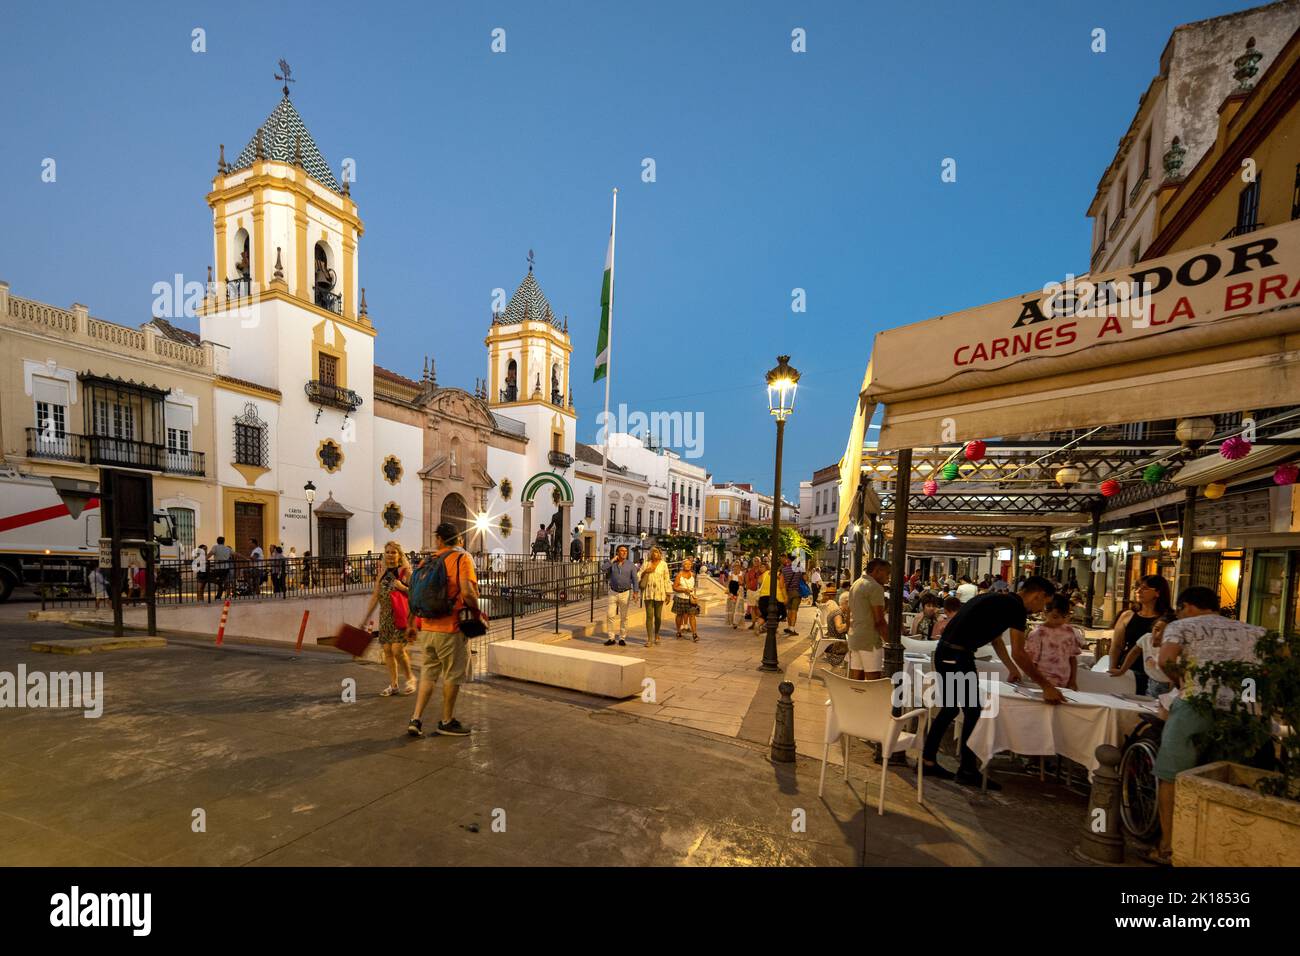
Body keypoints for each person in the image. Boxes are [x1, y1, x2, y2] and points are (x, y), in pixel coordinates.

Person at [1147, 586, 1265, 866]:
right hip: (1244, 711)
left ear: (1186, 606)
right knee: (1228, 777)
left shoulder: (1181, 627)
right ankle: (1219, 846)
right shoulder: (1256, 631)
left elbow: (1166, 660)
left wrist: (1182, 683)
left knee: (1173, 775)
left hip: (1196, 704)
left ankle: (1169, 845)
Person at [920, 575, 1056, 789]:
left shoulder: (999, 600)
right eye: (1043, 604)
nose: (1040, 610)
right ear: (1038, 595)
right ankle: (966, 769)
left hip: (948, 653)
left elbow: (996, 639)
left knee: (951, 710)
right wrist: (1047, 686)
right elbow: (1020, 652)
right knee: (972, 711)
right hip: (956, 656)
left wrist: (1011, 668)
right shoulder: (1016, 608)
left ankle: (929, 761)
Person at [406, 522, 480, 738]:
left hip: (427, 628)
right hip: (451, 629)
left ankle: (416, 718)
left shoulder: (428, 560)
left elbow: (414, 594)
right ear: (460, 540)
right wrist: (477, 611)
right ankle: (446, 721)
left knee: (428, 674)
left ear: (438, 540)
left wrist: (411, 623)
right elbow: (467, 592)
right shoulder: (462, 558)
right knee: (453, 675)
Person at [362, 541, 416, 696]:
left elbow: (417, 592)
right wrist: (366, 617)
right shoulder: (382, 574)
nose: (390, 555)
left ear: (399, 555)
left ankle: (410, 678)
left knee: (397, 650)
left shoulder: (405, 571)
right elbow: (375, 597)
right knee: (387, 651)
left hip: (400, 617)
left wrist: (402, 587)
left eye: (393, 552)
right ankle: (394, 685)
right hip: (385, 617)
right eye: (388, 552)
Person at [1109, 574, 1172, 697]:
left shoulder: (1167, 619)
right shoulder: (1128, 615)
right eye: (1137, 587)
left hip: (1156, 673)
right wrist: (1112, 668)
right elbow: (1117, 646)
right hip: (1128, 669)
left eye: (1145, 588)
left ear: (1158, 593)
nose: (1138, 591)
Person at [1022, 594, 1080, 690]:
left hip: (1064, 682)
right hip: (1042, 682)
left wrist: (1073, 680)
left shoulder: (1069, 631)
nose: (1060, 620)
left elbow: (1072, 658)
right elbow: (1032, 662)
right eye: (1055, 617)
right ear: (1045, 612)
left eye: (1064, 617)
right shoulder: (1038, 633)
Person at [847, 558, 891, 680]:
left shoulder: (856, 584)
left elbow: (849, 613)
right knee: (873, 681)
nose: (888, 577)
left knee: (856, 681)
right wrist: (890, 642)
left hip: (855, 637)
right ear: (878, 571)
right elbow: (879, 620)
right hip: (869, 640)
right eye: (887, 573)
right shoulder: (875, 587)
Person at [1109, 615, 1174, 696]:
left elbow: (1175, 670)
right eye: (1156, 629)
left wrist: (1171, 693)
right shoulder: (1146, 639)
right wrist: (1122, 670)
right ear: (1152, 628)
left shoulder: (1172, 646)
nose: (1158, 635)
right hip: (1151, 681)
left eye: (1165, 632)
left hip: (1168, 685)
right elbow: (1134, 652)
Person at [603, 545, 639, 647]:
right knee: (610, 615)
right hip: (613, 592)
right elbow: (603, 568)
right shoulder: (612, 563)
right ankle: (611, 638)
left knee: (624, 617)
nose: (624, 553)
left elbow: (635, 580)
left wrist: (636, 592)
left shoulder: (631, 565)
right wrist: (613, 560)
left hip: (625, 593)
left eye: (625, 551)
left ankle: (622, 638)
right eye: (622, 551)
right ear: (617, 552)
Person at [638, 547, 671, 647]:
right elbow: (638, 574)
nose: (655, 554)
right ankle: (649, 639)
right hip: (648, 592)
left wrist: (668, 593)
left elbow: (666, 579)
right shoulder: (646, 563)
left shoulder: (663, 564)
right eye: (653, 552)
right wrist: (645, 571)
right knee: (649, 616)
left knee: (658, 616)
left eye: (657, 552)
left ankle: (656, 633)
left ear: (660, 554)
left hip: (660, 592)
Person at [756, 559, 787, 635]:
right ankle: (770, 627)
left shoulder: (765, 573)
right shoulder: (779, 574)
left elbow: (759, 581)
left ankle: (758, 625)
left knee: (764, 615)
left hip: (762, 597)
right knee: (783, 614)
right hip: (776, 598)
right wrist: (785, 597)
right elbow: (781, 586)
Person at [672, 557, 700, 640]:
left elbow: (693, 586)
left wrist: (693, 594)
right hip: (680, 598)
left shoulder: (693, 575)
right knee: (679, 615)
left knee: (692, 616)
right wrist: (684, 589)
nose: (688, 565)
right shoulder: (679, 575)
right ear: (683, 565)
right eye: (686, 564)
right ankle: (678, 631)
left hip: (690, 599)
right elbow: (674, 587)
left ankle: (694, 634)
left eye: (689, 564)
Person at [780, 554, 802, 635]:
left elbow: (781, 583)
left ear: (788, 560)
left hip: (787, 592)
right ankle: (792, 629)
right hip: (796, 592)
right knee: (794, 611)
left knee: (789, 610)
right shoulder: (798, 569)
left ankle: (789, 627)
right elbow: (804, 579)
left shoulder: (784, 570)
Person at [745, 558, 764, 630]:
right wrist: (748, 588)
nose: (756, 562)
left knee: (758, 608)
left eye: (758, 561)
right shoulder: (750, 570)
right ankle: (753, 623)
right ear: (753, 562)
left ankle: (760, 624)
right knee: (753, 607)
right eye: (755, 561)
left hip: (759, 591)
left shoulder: (762, 570)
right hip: (751, 591)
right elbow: (747, 580)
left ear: (760, 562)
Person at [725, 560, 744, 628]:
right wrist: (727, 589)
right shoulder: (730, 573)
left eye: (738, 565)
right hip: (732, 589)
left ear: (739, 566)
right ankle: (732, 621)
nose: (736, 567)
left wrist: (738, 575)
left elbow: (742, 582)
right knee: (732, 605)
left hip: (739, 590)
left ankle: (736, 622)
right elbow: (729, 581)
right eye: (735, 566)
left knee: (738, 606)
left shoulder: (741, 573)